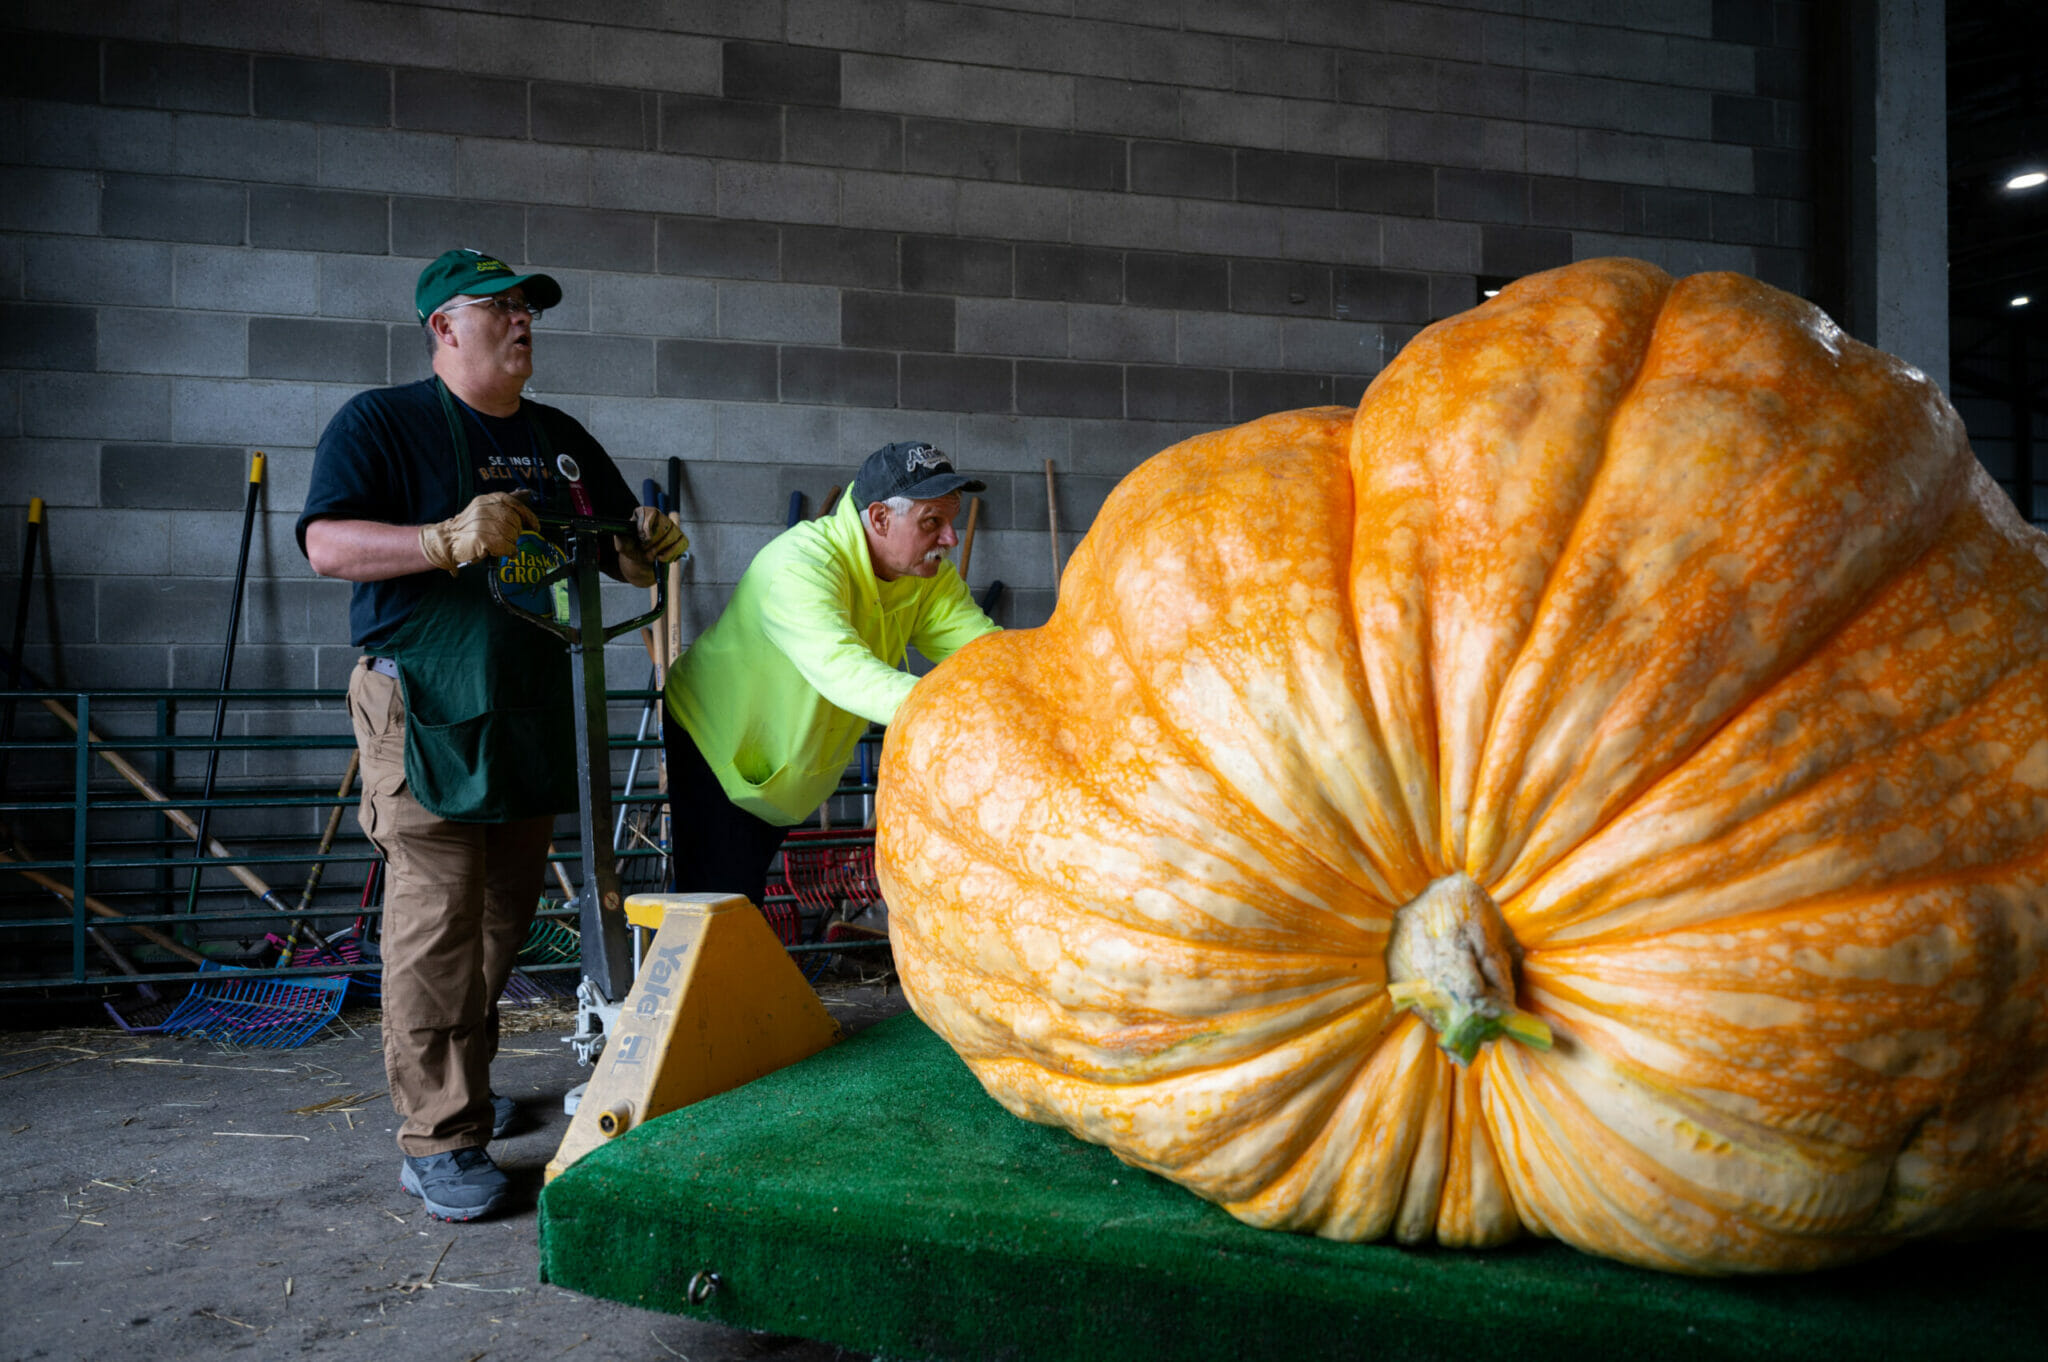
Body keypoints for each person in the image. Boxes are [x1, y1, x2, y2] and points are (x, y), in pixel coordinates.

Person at [296, 248, 686, 1223]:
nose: (522, 323)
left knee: (503, 915)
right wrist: (439, 540)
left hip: (527, 708)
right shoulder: (379, 423)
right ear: (443, 328)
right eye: (500, 308)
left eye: (528, 311)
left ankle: (460, 1082)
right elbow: (326, 545)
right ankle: (439, 1136)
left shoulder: (558, 439)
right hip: (424, 706)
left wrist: (647, 546)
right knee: (437, 920)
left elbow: (619, 553)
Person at [662, 441, 999, 908]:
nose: (950, 539)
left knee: (735, 898)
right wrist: (952, 712)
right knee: (719, 905)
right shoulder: (800, 566)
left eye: (951, 521)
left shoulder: (927, 577)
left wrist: (1049, 684)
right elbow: (845, 671)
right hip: (717, 739)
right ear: (880, 518)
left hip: (782, 766)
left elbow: (987, 656)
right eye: (932, 522)